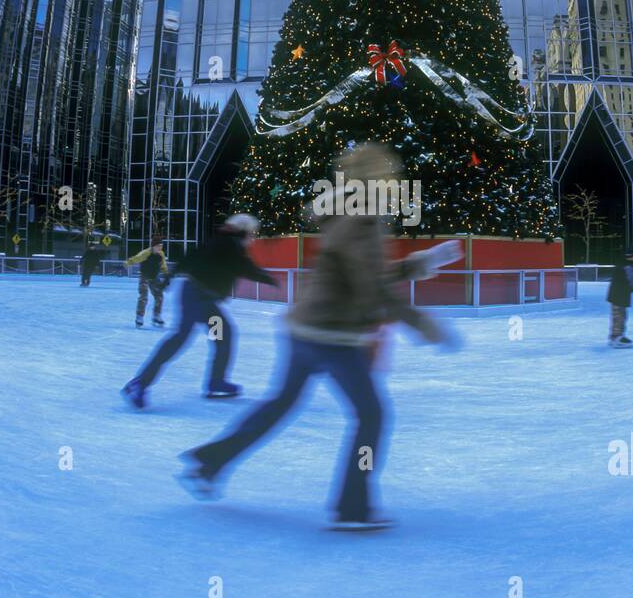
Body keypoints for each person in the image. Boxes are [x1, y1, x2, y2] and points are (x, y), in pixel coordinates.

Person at [179, 144, 463, 531]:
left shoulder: (348, 211)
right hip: (331, 335)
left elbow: (366, 277)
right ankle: (353, 507)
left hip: (305, 332)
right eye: (388, 175)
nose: (393, 182)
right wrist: (420, 323)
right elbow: (371, 290)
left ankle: (207, 462)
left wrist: (424, 262)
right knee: (371, 415)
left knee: (279, 404)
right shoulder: (361, 218)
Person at [122, 214, 276, 407]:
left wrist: (170, 277)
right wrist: (269, 279)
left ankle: (216, 382)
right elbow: (242, 266)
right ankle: (138, 384)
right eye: (251, 232)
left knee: (222, 335)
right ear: (243, 230)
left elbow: (192, 256)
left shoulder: (225, 242)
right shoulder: (228, 244)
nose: (252, 237)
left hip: (206, 302)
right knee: (180, 337)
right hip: (195, 297)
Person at [126, 235, 169, 327]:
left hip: (155, 277)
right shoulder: (146, 253)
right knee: (143, 296)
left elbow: (163, 265)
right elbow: (137, 258)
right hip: (144, 276)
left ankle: (156, 316)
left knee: (159, 296)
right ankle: (139, 317)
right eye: (158, 246)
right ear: (153, 246)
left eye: (161, 246)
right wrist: (128, 262)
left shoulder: (161, 254)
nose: (160, 248)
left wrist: (166, 274)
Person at [607, 250, 633, 346]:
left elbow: (630, 281)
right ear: (632, 256)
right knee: (619, 315)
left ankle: (616, 336)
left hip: (619, 294)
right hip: (618, 295)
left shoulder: (626, 265)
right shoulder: (626, 266)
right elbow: (630, 281)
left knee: (620, 315)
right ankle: (616, 337)